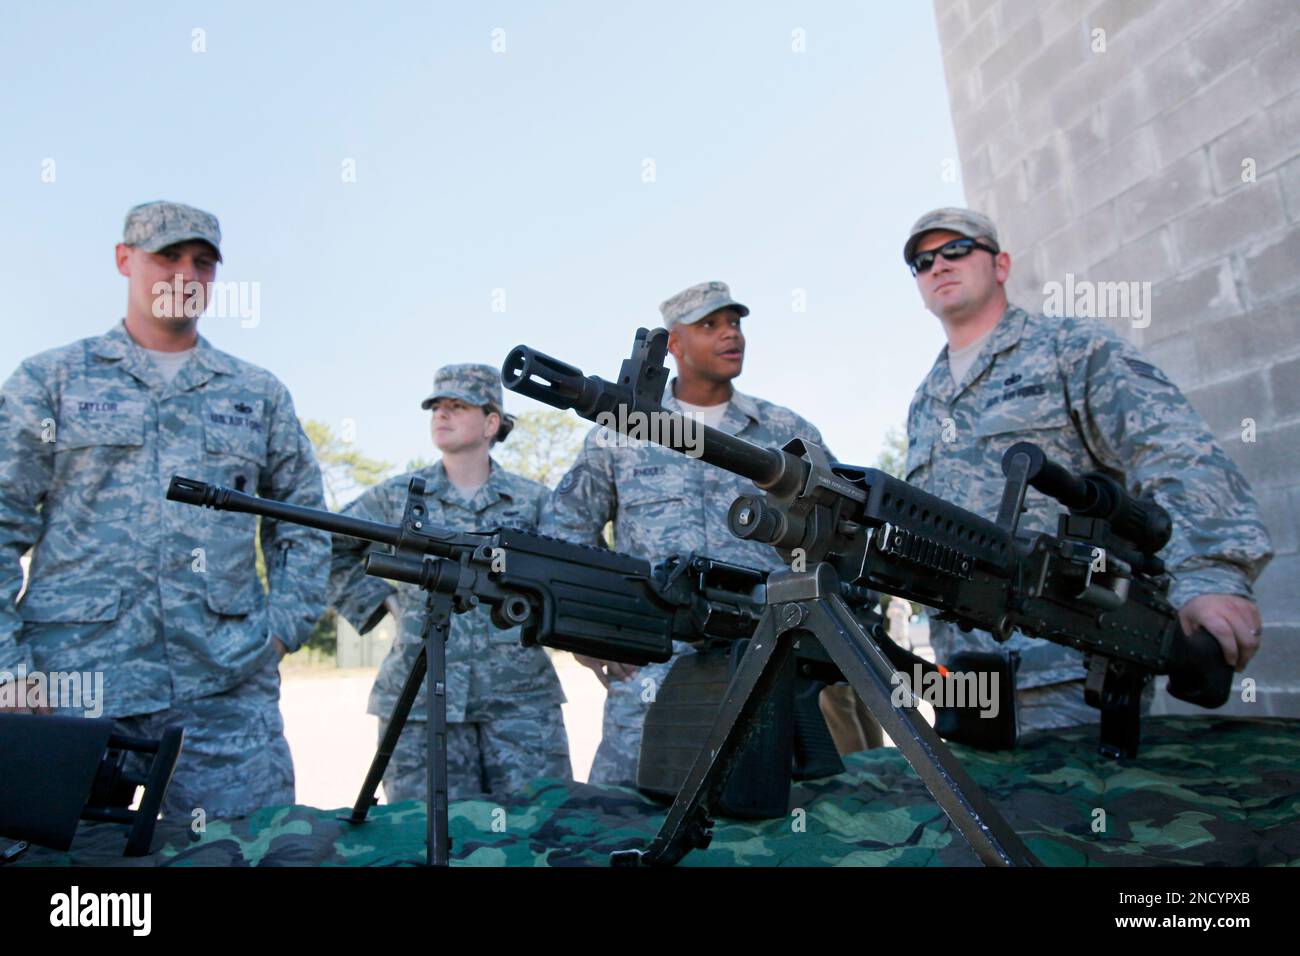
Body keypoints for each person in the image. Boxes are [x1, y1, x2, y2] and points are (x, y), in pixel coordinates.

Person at [0, 200, 329, 817]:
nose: (186, 274)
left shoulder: (255, 393)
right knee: (69, 866)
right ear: (124, 259)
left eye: (203, 262)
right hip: (71, 687)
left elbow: (305, 523)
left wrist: (282, 631)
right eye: (167, 256)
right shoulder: (52, 380)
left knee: (241, 849)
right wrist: (8, 667)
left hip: (224, 691)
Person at [901, 206, 1273, 730]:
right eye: (921, 261)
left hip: (1072, 670)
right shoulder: (926, 401)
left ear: (1001, 264)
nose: (938, 265)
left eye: (956, 249)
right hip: (968, 681)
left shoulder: (1070, 348)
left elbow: (1175, 449)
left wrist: (1208, 574)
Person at [541, 280, 879, 787]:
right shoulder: (618, 434)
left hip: (770, 667)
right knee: (632, 814)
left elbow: (845, 531)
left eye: (735, 323)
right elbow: (565, 530)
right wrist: (588, 628)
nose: (730, 334)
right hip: (654, 678)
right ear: (674, 344)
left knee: (785, 811)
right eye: (710, 324)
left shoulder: (787, 433)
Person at [329, 364, 571, 802]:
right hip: (421, 704)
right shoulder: (397, 497)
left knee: (540, 824)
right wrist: (382, 602)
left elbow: (571, 574)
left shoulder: (534, 501)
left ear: (491, 422)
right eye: (436, 406)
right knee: (424, 831)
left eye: (458, 406)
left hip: (521, 707)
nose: (441, 414)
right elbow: (329, 544)